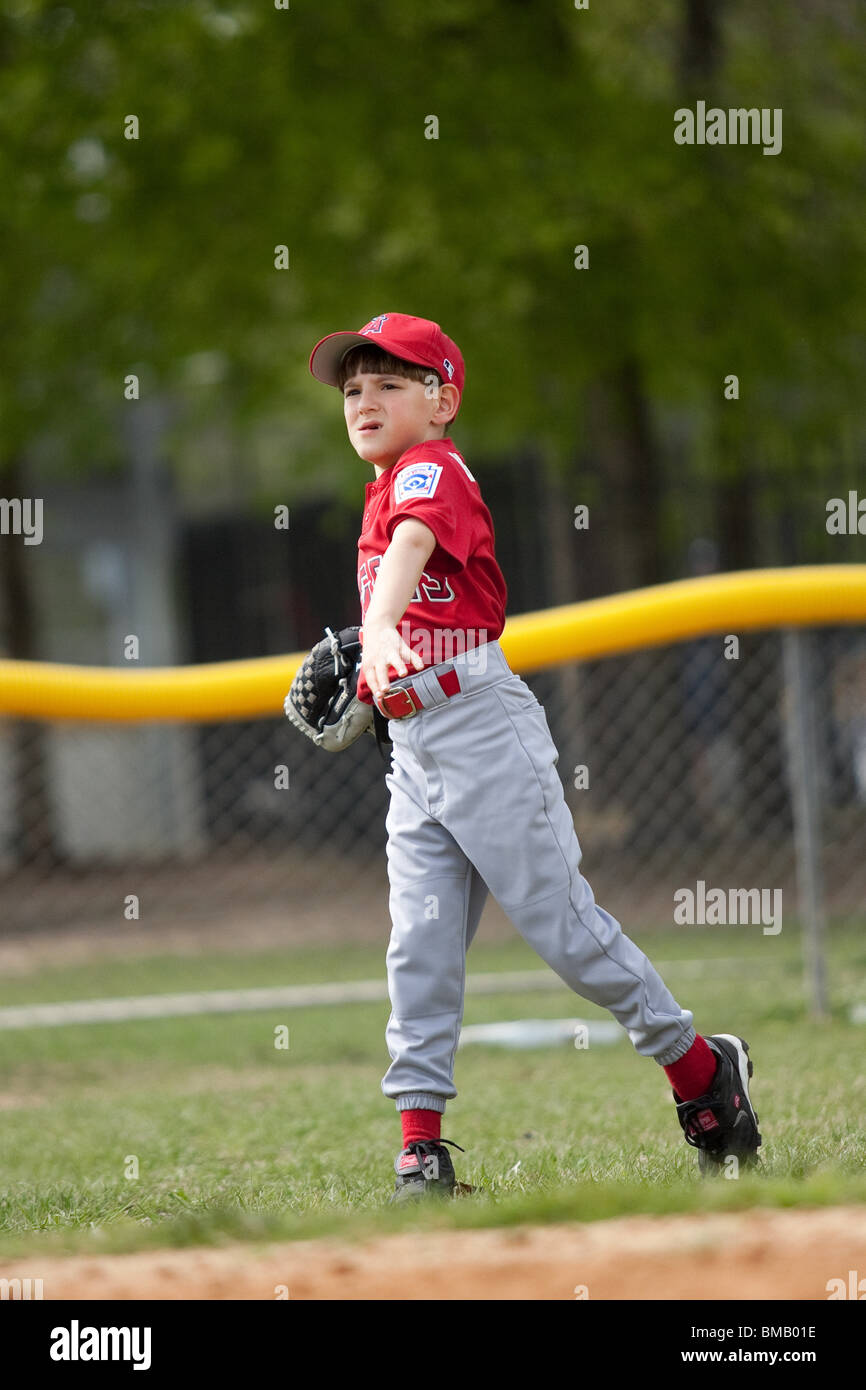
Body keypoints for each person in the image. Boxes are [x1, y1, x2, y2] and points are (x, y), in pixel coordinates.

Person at [308, 312, 761, 1199]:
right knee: (420, 950)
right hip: (417, 746)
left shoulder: (433, 469)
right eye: (352, 388)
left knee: (567, 936)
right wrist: (373, 673)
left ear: (442, 400)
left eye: (390, 383)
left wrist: (380, 629)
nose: (364, 399)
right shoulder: (381, 488)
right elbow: (402, 582)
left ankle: (703, 1072)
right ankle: (420, 1148)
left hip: (482, 730)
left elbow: (410, 550)